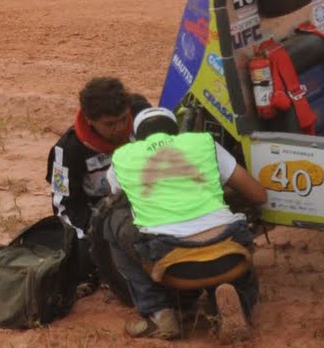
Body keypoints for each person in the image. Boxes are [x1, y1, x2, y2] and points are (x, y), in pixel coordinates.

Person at [106, 107, 267, 341]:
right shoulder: (204, 144)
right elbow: (258, 195)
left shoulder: (122, 158)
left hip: (171, 260)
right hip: (231, 252)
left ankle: (158, 312)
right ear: (177, 132)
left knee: (112, 218)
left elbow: (121, 205)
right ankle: (238, 303)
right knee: (224, 221)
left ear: (137, 137)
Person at [49, 77, 151, 241]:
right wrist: (93, 239)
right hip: (100, 220)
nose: (119, 128)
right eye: (110, 124)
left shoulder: (141, 116)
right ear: (90, 120)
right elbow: (64, 208)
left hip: (148, 206)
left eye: (123, 119)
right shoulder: (67, 150)